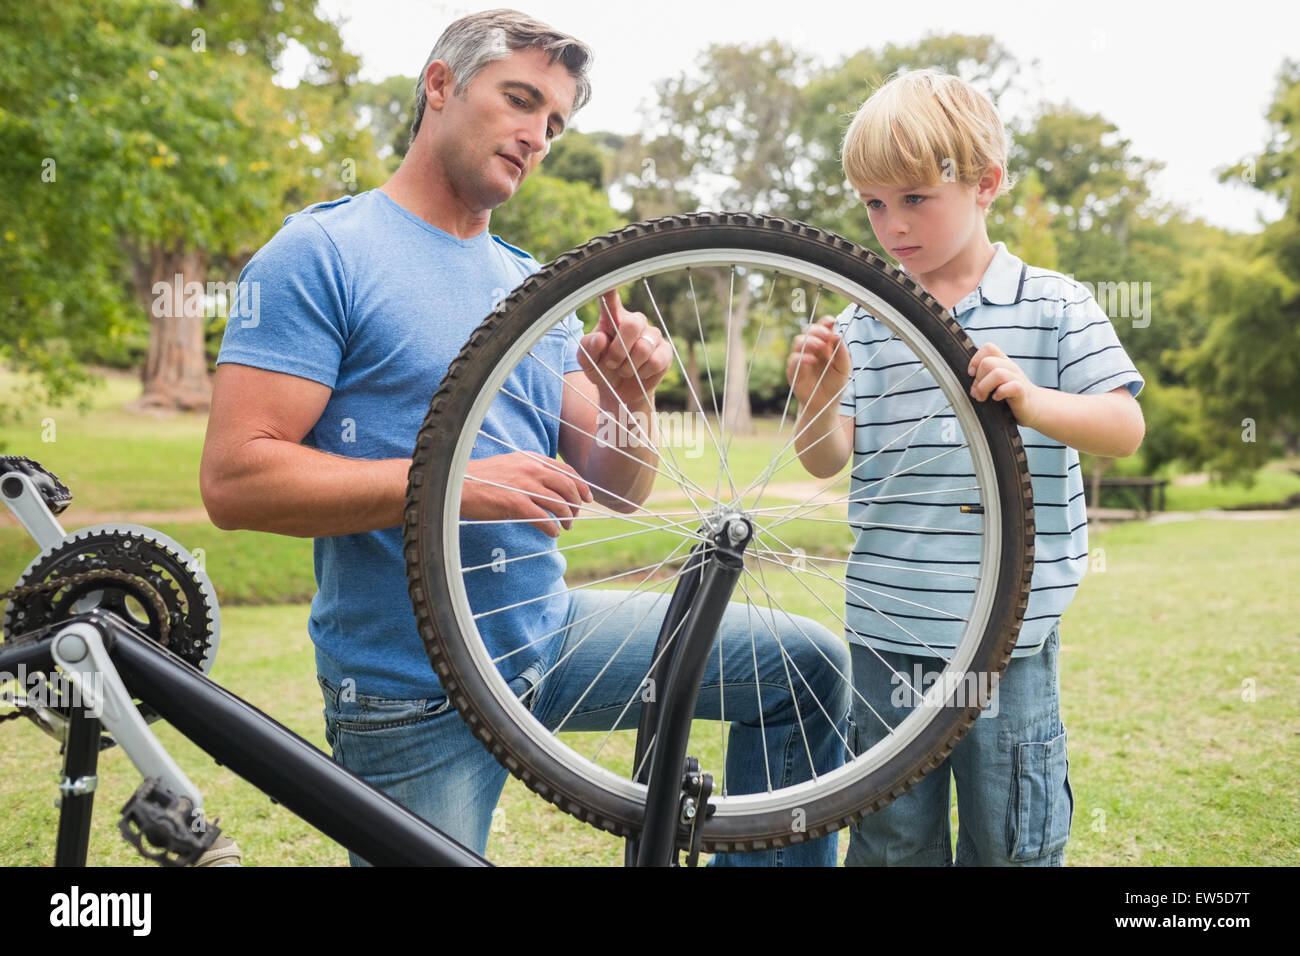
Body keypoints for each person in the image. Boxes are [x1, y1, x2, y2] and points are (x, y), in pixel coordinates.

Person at [200, 8, 847, 866]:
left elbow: (617, 484)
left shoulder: (531, 283)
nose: (537, 135)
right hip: (409, 685)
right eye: (519, 100)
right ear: (439, 85)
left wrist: (628, 396)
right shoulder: (324, 252)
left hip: (551, 637)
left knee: (807, 672)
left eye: (554, 122)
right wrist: (447, 483)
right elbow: (236, 483)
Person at [785, 68, 1145, 866]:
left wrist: (1032, 399)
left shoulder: (1053, 304)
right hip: (886, 635)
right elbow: (827, 458)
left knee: (1011, 835)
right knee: (891, 842)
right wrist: (818, 396)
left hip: (1008, 639)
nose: (892, 226)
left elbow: (1123, 426)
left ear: (985, 184)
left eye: (915, 198)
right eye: (873, 204)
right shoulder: (865, 320)